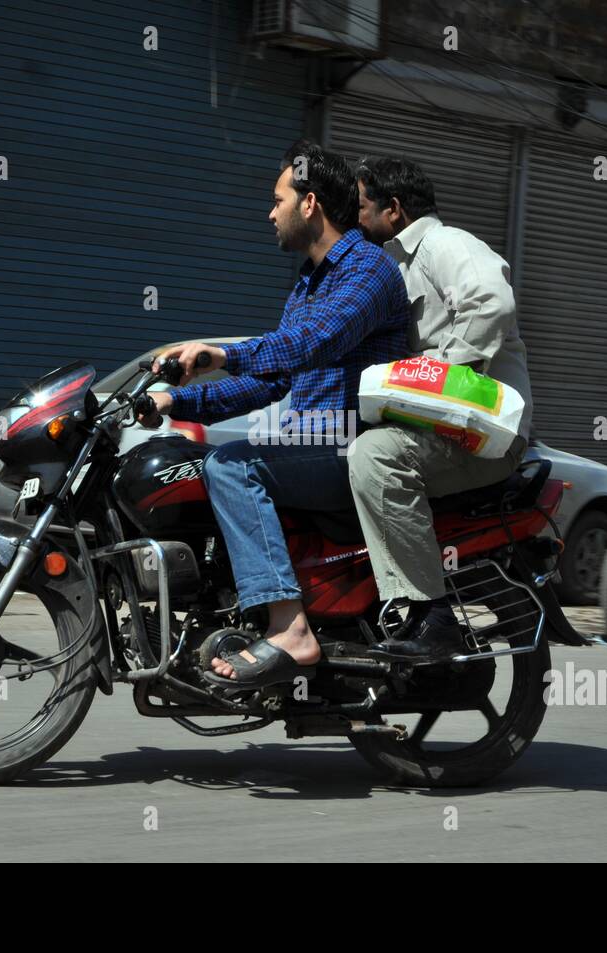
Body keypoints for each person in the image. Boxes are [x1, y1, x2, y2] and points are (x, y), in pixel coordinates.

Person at [141, 140, 411, 687]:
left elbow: (314, 343)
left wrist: (221, 353)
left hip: (350, 448)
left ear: (309, 204)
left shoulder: (369, 270)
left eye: (278, 198)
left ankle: (290, 628)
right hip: (309, 443)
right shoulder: (308, 284)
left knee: (233, 466)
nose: (270, 212)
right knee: (189, 462)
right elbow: (271, 381)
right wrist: (174, 402)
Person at [348, 155, 534, 660]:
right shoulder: (398, 262)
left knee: (376, 457)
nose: (356, 216)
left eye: (363, 206)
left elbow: (492, 303)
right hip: (449, 433)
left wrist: (443, 383)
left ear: (394, 209)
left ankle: (430, 616)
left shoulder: (445, 244)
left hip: (483, 435)